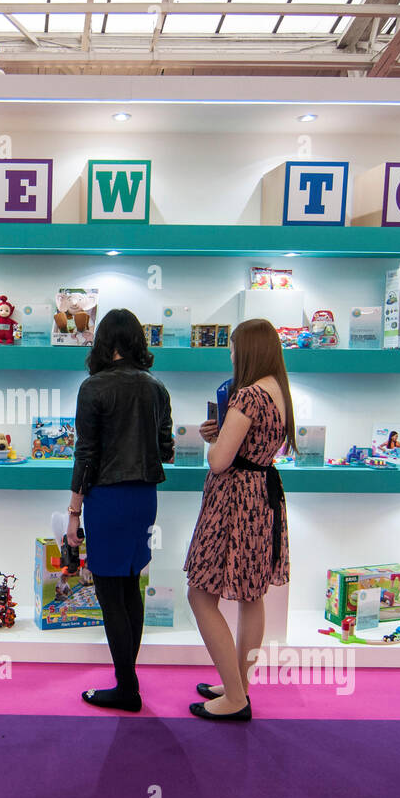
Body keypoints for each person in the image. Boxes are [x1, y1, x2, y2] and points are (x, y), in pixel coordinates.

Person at [184, 318, 294, 722]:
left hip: (234, 502)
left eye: (232, 348)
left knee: (200, 593)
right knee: (252, 596)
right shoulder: (278, 391)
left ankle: (234, 696)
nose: (230, 355)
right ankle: (238, 685)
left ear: (246, 350)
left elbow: (219, 461)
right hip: (262, 498)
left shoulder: (247, 396)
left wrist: (213, 441)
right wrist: (221, 434)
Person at [66, 308, 174, 713]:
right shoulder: (156, 387)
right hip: (145, 497)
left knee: (111, 592)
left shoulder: (93, 387)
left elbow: (86, 455)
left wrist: (74, 512)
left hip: (107, 498)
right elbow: (166, 450)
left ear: (104, 342)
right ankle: (128, 682)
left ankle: (126, 688)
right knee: (131, 586)